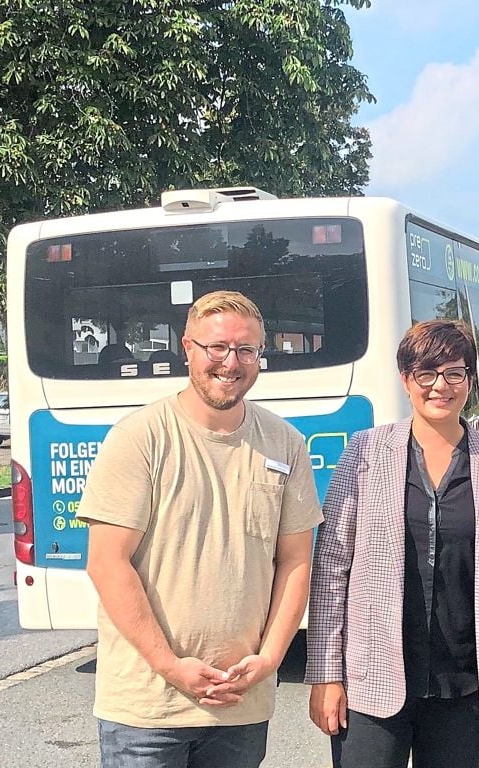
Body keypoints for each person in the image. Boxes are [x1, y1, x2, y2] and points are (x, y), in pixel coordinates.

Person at [79, 290, 322, 768]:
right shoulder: (140, 438)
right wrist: (170, 667)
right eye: (218, 347)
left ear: (259, 357)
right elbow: (107, 563)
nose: (231, 363)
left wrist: (270, 659)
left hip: (241, 705)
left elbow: (295, 561)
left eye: (246, 349)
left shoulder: (285, 444)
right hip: (147, 712)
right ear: (188, 348)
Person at [306, 319, 479, 768]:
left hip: (464, 687)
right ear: (406, 380)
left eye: (455, 373)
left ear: (469, 380)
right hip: (371, 683)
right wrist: (324, 674)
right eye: (426, 374)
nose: (441, 386)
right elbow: (332, 566)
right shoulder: (365, 452)